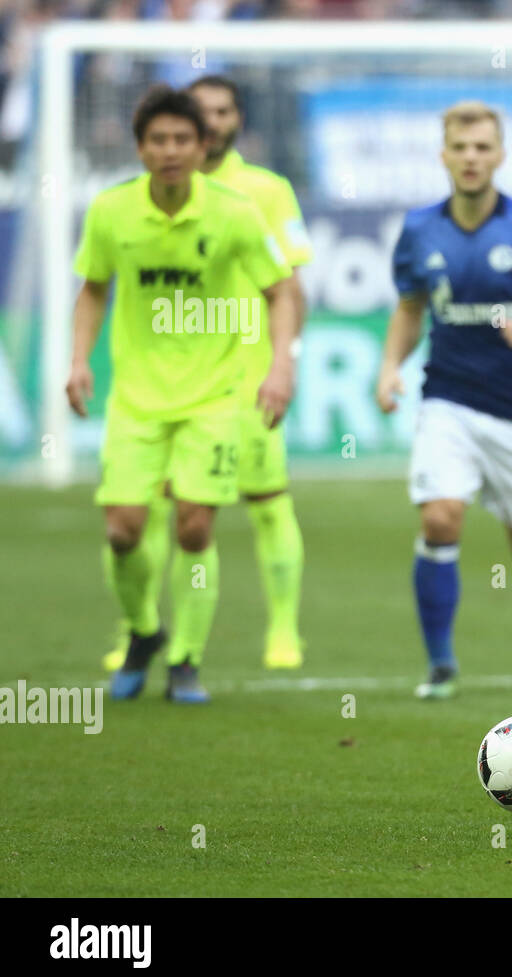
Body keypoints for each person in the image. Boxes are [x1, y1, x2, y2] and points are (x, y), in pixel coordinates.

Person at [68, 85, 296, 704]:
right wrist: (77, 361)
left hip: (214, 398)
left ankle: (187, 660)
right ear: (140, 147)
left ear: (201, 147)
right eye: (158, 140)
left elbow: (280, 291)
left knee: (195, 528)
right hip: (136, 400)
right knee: (123, 529)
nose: (170, 151)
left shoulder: (235, 213)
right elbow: (92, 289)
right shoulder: (111, 211)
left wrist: (280, 366)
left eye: (181, 140)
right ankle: (144, 632)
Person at [376, 101, 512, 699]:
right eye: (460, 147)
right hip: (446, 398)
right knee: (440, 515)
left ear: (498, 156)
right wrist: (390, 367)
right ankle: (441, 665)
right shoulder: (420, 229)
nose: (471, 158)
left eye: (482, 148)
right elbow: (411, 306)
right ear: (443, 154)